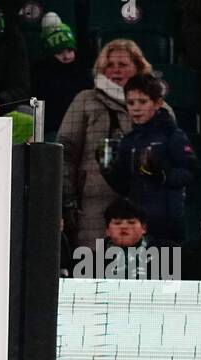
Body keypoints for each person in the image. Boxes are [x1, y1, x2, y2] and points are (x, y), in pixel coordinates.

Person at [58, 38, 156, 252]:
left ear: (138, 67)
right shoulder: (85, 100)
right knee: (92, 271)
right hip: (93, 204)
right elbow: (65, 152)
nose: (115, 70)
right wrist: (67, 201)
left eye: (122, 65)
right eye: (109, 65)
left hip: (144, 204)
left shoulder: (158, 106)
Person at [100, 74, 199, 245]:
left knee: (167, 270)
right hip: (137, 226)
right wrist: (108, 169)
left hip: (167, 225)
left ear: (158, 103)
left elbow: (193, 172)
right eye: (131, 103)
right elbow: (123, 187)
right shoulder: (128, 140)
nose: (136, 108)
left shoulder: (172, 135)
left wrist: (162, 176)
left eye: (143, 102)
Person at [30, 11, 89, 138]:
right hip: (51, 132)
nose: (66, 56)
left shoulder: (83, 71)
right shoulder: (40, 74)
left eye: (69, 50)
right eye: (59, 52)